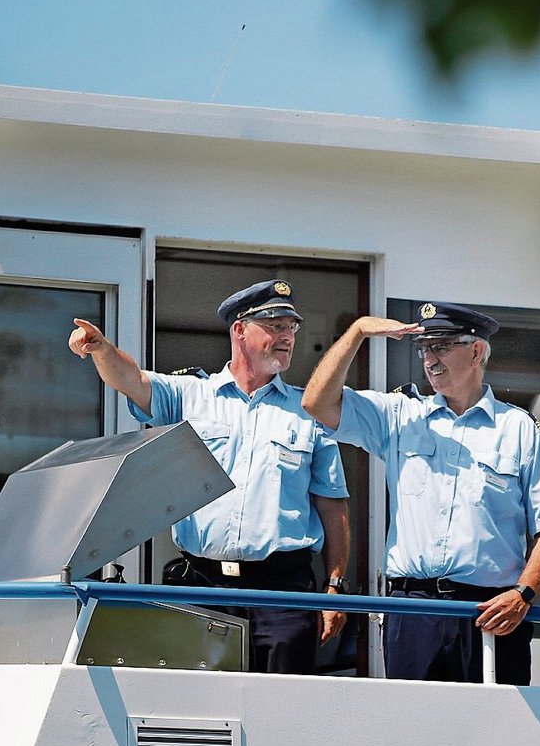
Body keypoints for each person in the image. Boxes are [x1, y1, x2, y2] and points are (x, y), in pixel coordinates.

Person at [68, 278, 350, 675]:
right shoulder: (191, 396)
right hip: (202, 586)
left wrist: (335, 587)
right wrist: (101, 349)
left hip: (284, 593)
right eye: (275, 325)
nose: (287, 337)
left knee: (283, 712)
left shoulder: (309, 411)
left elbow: (332, 505)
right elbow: (131, 380)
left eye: (291, 327)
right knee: (198, 712)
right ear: (240, 329)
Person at [301, 302, 540, 685]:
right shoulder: (399, 414)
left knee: (493, 736)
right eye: (424, 349)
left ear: (476, 351)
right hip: (413, 611)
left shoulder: (518, 428)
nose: (430, 359)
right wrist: (357, 331)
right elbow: (317, 402)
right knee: (412, 736)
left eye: (442, 347)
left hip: (489, 611)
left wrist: (523, 594)